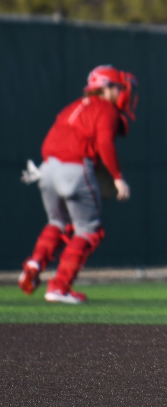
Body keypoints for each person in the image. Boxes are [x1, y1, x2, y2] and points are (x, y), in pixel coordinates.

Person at [19, 65, 138, 304]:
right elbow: (104, 142)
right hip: (75, 168)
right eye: (117, 87)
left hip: (47, 168)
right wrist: (117, 176)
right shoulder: (105, 108)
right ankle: (59, 286)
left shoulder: (73, 106)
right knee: (88, 229)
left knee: (58, 222)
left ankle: (34, 263)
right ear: (106, 88)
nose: (121, 92)